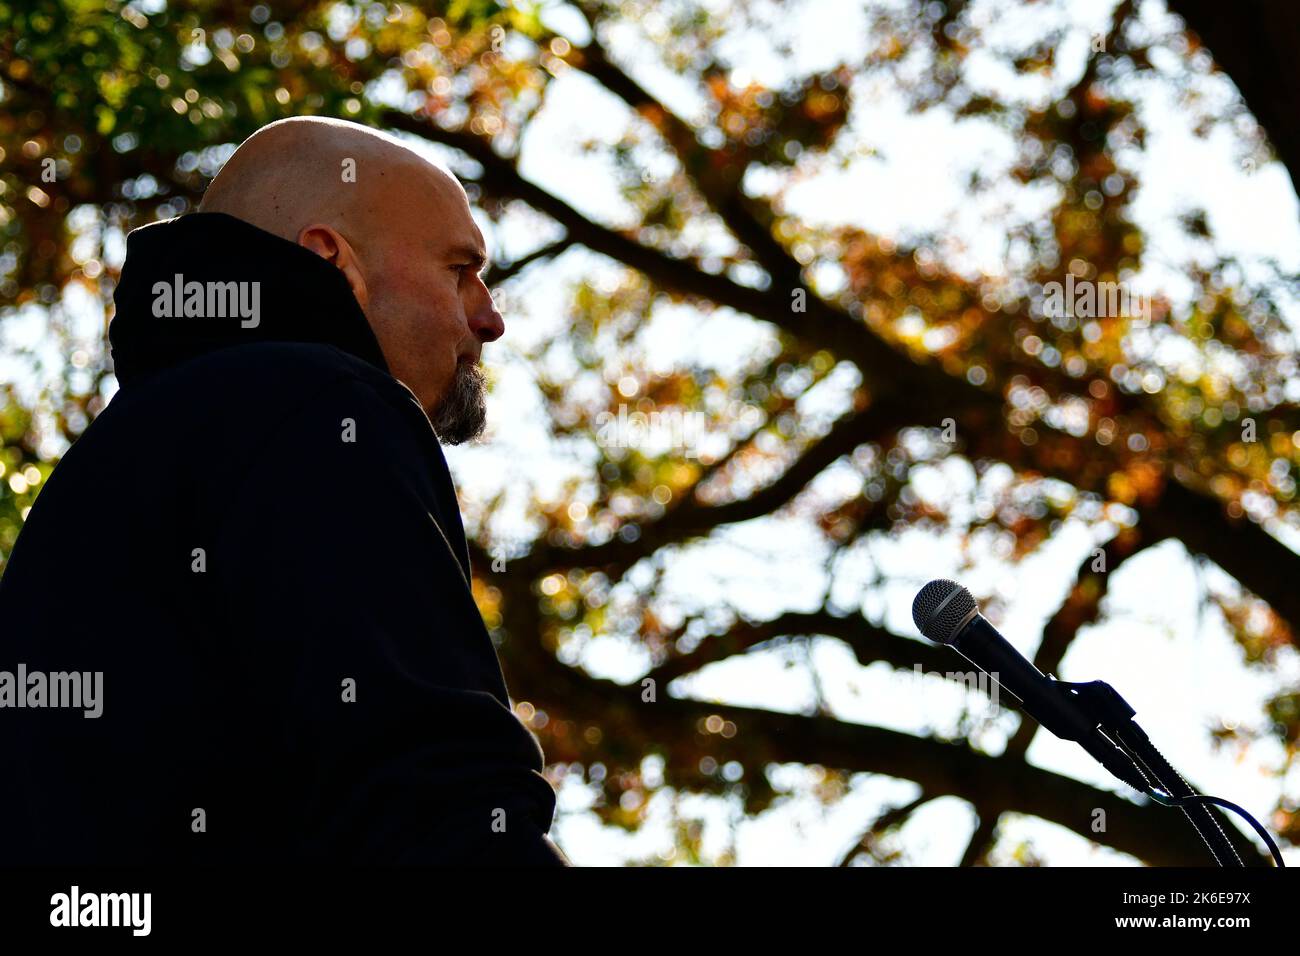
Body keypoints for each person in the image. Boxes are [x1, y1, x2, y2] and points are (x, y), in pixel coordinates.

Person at [0, 117, 570, 865]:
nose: (489, 318)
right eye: (459, 269)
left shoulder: (111, 469)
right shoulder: (322, 403)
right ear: (331, 263)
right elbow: (430, 792)